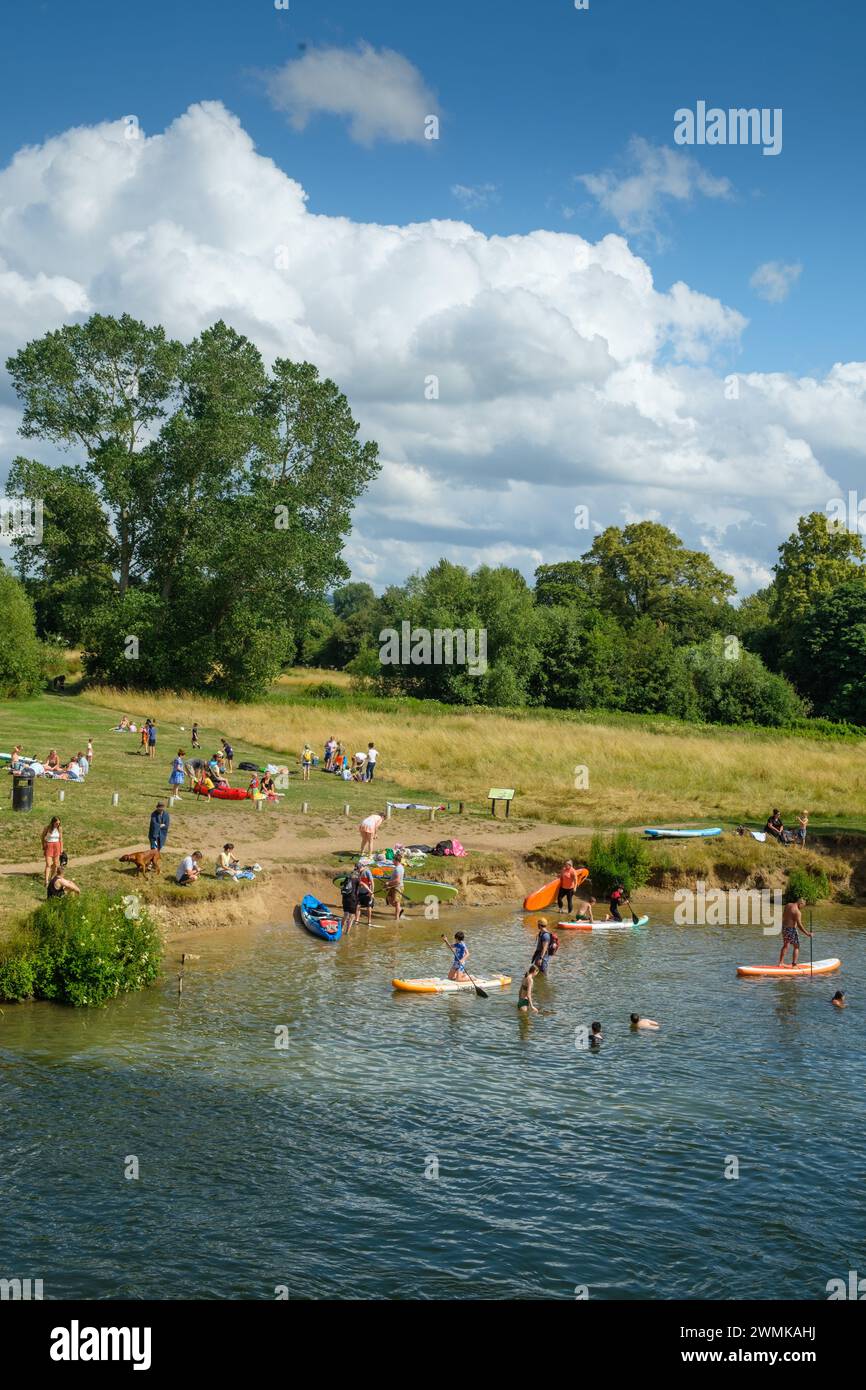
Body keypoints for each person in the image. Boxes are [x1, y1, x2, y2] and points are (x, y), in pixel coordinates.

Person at [778, 897, 811, 967]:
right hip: (791, 930)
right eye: (803, 906)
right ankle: (794, 964)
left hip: (784, 928)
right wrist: (807, 933)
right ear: (800, 903)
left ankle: (781, 963)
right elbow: (799, 925)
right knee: (796, 946)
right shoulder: (797, 912)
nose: (802, 908)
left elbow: (784, 916)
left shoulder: (788, 905)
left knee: (786, 945)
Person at [41, 817, 63, 887]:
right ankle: (46, 881)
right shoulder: (47, 828)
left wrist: (61, 848)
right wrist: (43, 845)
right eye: (56, 823)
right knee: (48, 864)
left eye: (59, 823)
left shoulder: (59, 829)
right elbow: (42, 837)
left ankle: (51, 879)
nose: (58, 824)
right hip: (49, 845)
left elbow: (61, 839)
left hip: (57, 846)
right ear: (53, 822)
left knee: (56, 864)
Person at [386, 851, 406, 921]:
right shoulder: (398, 867)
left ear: (396, 860)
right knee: (389, 898)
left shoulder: (398, 869)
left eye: (393, 859)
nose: (392, 861)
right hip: (393, 886)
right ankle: (400, 910)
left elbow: (397, 880)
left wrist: (388, 883)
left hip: (398, 887)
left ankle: (397, 918)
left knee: (397, 902)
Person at [341, 869, 360, 934]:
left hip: (345, 899)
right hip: (352, 900)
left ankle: (341, 930)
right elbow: (362, 884)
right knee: (351, 916)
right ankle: (347, 932)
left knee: (345, 914)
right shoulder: (356, 879)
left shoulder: (347, 879)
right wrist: (370, 892)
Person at [356, 863, 375, 927]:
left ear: (360, 867)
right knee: (358, 906)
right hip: (360, 893)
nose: (357, 871)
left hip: (367, 892)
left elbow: (372, 882)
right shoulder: (358, 873)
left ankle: (369, 921)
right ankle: (357, 920)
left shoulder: (367, 871)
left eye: (358, 869)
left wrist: (372, 892)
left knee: (368, 907)